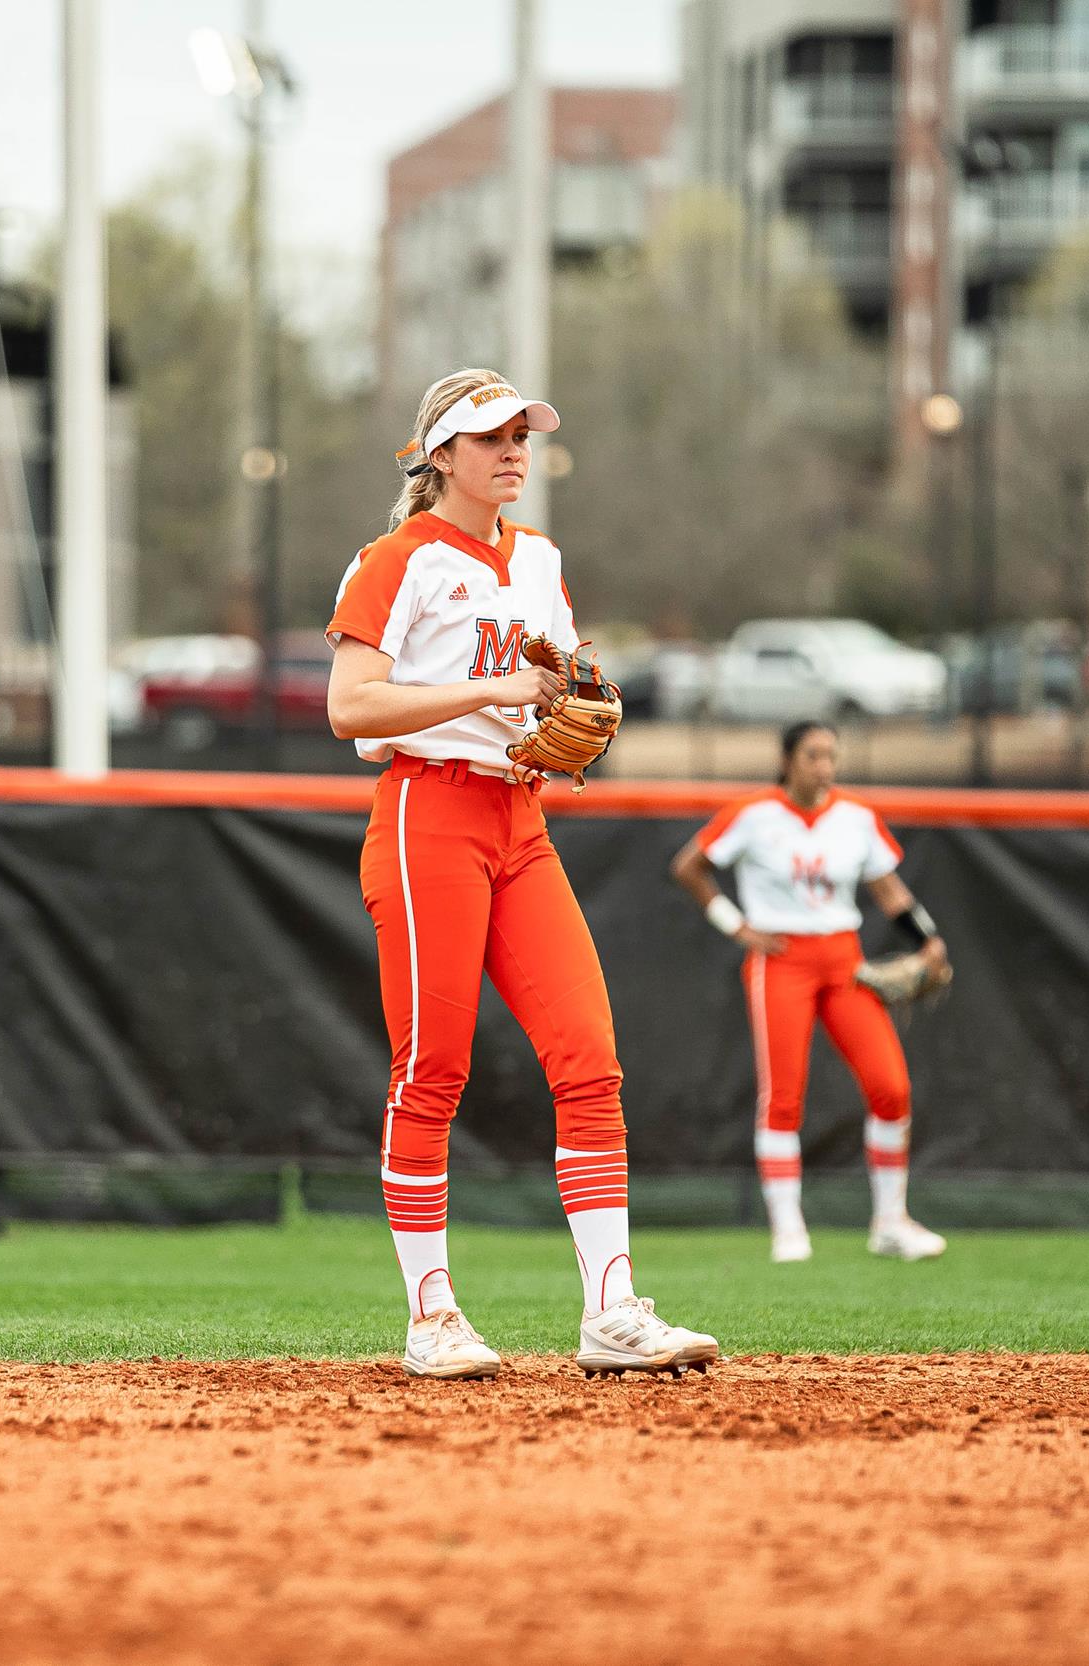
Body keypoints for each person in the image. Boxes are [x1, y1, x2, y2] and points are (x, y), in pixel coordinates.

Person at [325, 366, 718, 1381]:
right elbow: (349, 707)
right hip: (426, 815)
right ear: (438, 455)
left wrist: (574, 698)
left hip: (519, 819)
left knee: (588, 1056)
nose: (513, 451)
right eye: (490, 436)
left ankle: (611, 1308)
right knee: (434, 1067)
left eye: (520, 435)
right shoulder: (397, 560)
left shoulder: (538, 559)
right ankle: (431, 1314)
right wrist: (492, 685)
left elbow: (558, 670)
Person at [669, 720, 951, 1264]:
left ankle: (891, 1223)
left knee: (890, 1087)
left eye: (831, 756)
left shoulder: (856, 817)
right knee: (784, 1098)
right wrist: (737, 925)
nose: (824, 766)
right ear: (788, 760)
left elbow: (888, 888)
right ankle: (789, 1229)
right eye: (813, 755)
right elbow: (688, 867)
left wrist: (928, 937)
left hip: (844, 959)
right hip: (781, 960)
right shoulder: (754, 814)